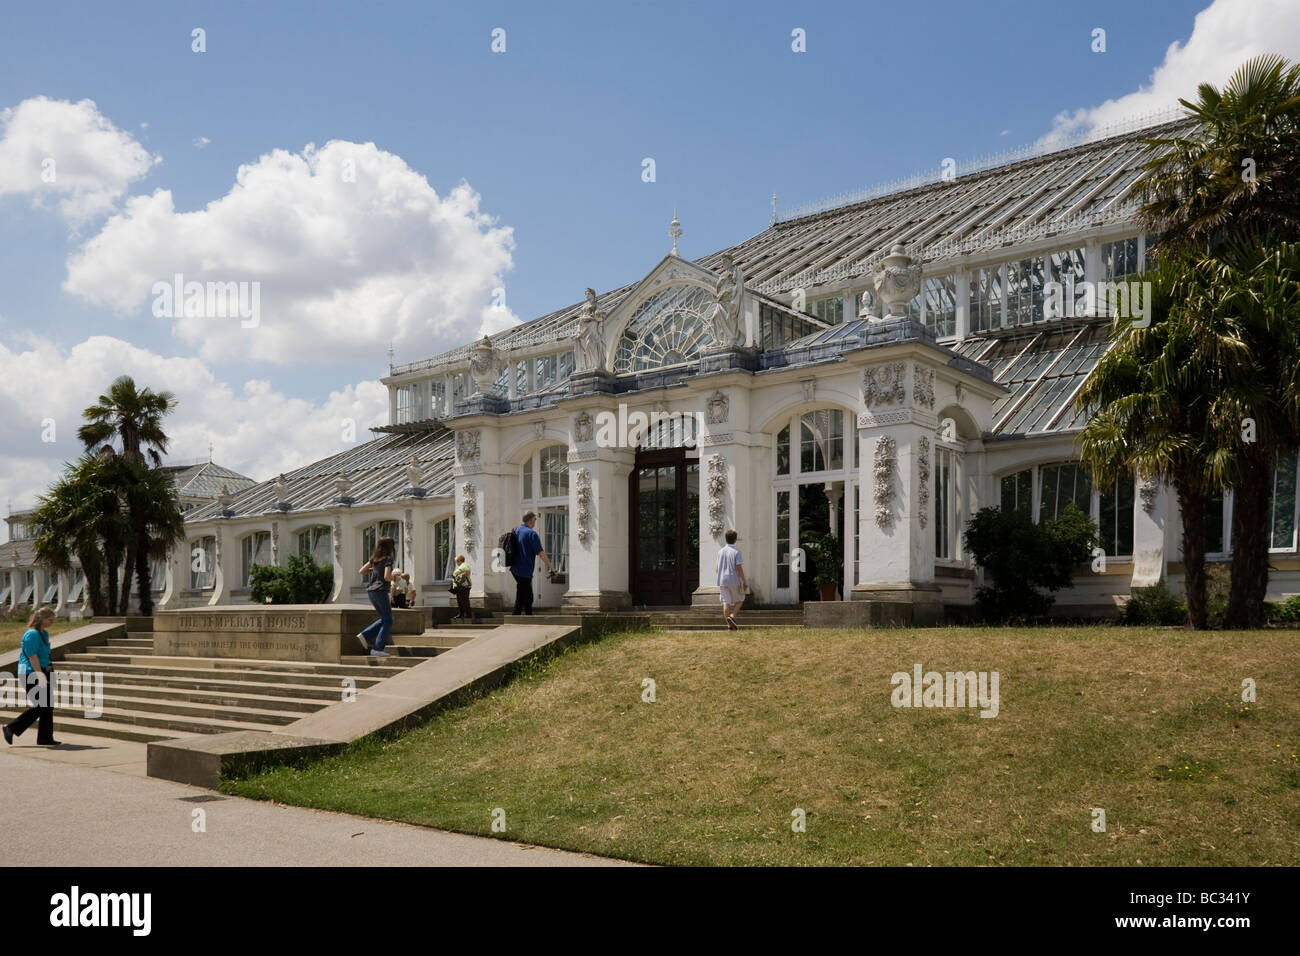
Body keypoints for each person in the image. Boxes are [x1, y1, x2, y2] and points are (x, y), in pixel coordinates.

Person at [3, 606, 60, 747]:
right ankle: (11, 728)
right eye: (50, 619)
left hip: (44, 670)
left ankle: (45, 738)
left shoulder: (44, 633)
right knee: (41, 705)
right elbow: (32, 656)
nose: (51, 622)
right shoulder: (32, 634)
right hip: (31, 672)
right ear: (42, 619)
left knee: (47, 706)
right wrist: (39, 674)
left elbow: (44, 654)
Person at [355, 535, 395, 657]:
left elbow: (361, 571)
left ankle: (365, 635)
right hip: (381, 590)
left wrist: (374, 570)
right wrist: (396, 577)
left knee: (384, 618)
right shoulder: (388, 559)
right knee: (388, 620)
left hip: (371, 591)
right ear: (390, 547)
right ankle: (377, 648)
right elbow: (387, 577)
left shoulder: (374, 559)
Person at [510, 511, 554, 616]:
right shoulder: (531, 533)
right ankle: (520, 617)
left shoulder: (517, 530)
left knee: (523, 593)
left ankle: (521, 616)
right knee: (526, 596)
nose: (535, 521)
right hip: (524, 570)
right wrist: (551, 567)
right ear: (530, 520)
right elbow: (541, 553)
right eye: (535, 519)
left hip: (515, 568)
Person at [716, 529, 748, 630]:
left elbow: (717, 568)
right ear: (735, 539)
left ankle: (729, 625)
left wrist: (720, 577)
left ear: (726, 539)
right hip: (733, 579)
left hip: (722, 580)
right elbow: (738, 567)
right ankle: (732, 616)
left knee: (726, 602)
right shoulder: (736, 551)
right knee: (741, 598)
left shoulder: (720, 552)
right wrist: (744, 581)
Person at [451, 554, 472, 620]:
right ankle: (461, 614)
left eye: (456, 561)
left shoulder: (464, 565)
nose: (456, 563)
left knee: (464, 601)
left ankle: (468, 615)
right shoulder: (462, 566)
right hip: (460, 587)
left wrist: (459, 576)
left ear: (459, 561)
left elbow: (467, 572)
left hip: (464, 587)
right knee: (460, 601)